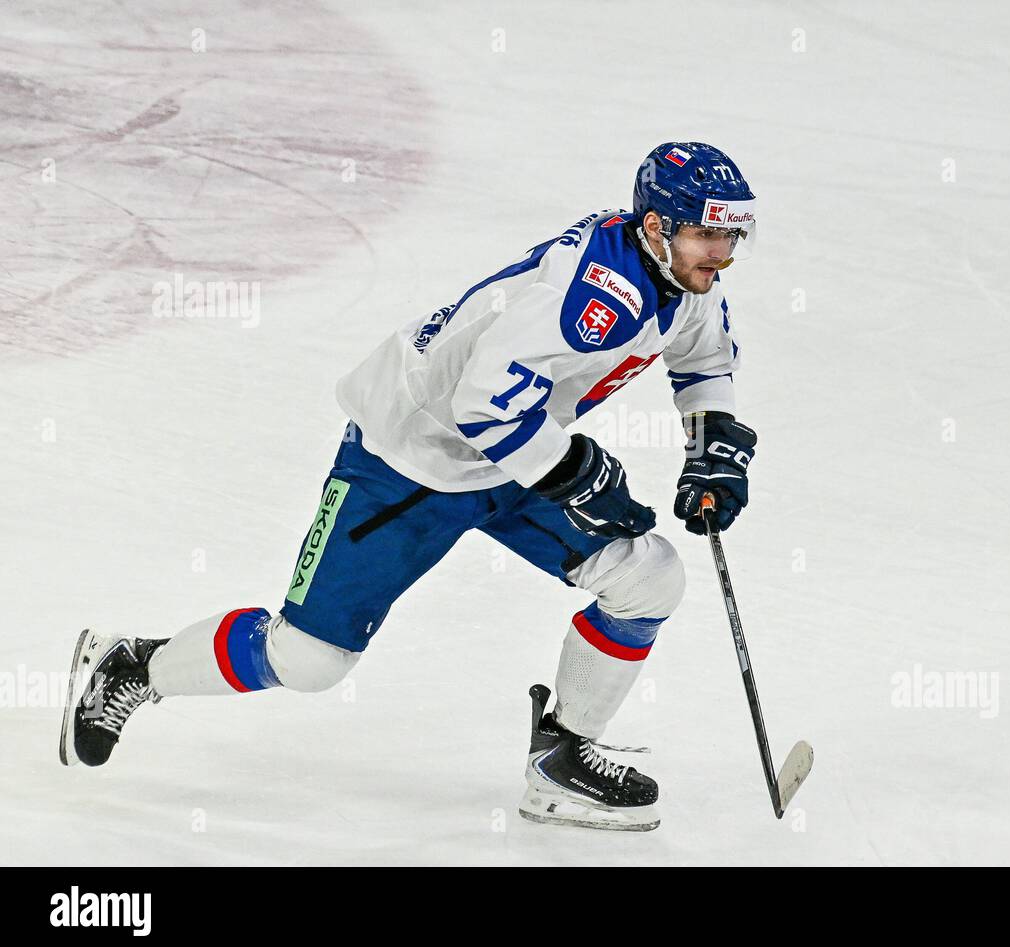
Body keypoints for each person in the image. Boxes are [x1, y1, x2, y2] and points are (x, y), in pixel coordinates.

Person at [60, 142, 761, 831]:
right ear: (654, 229)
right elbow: (483, 402)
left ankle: (560, 759)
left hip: (511, 455)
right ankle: (135, 666)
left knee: (649, 578)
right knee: (308, 660)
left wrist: (713, 447)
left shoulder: (682, 279)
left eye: (728, 236)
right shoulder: (592, 295)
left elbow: (702, 362)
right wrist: (578, 475)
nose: (720, 254)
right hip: (409, 455)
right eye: (706, 234)